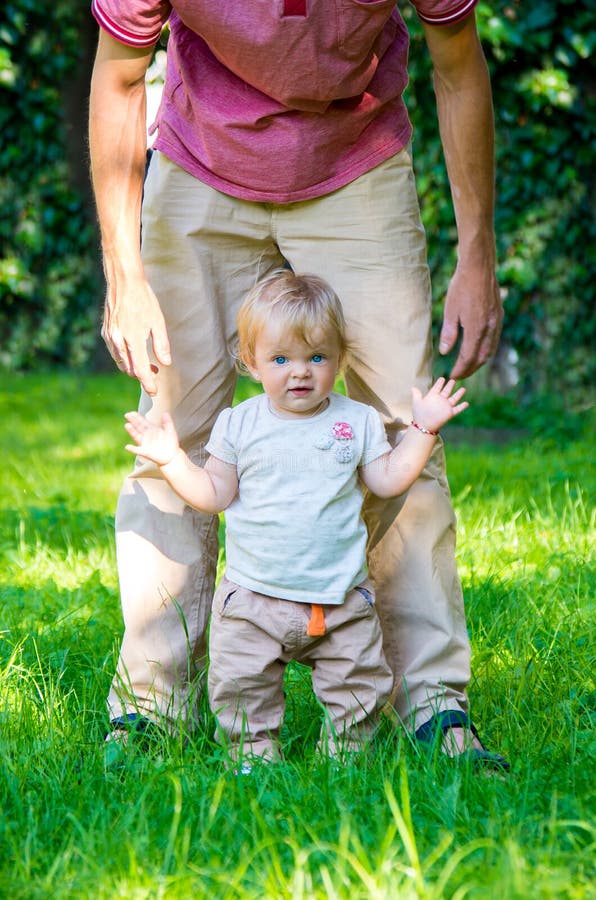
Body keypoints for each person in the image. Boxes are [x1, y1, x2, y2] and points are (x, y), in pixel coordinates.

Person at [89, 0, 508, 767]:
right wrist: (125, 273)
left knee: (404, 427)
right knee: (173, 433)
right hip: (199, 164)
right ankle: (151, 706)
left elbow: (457, 65)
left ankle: (432, 706)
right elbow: (119, 75)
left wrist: (478, 254)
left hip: (356, 163)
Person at [123, 270, 470, 766]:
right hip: (254, 600)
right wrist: (173, 459)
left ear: (339, 358)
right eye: (281, 359)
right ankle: (254, 755)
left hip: (341, 601)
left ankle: (346, 758)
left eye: (317, 357)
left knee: (357, 690)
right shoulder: (238, 423)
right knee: (242, 688)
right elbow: (215, 493)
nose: (300, 372)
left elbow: (389, 480)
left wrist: (422, 429)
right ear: (252, 361)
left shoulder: (357, 421)